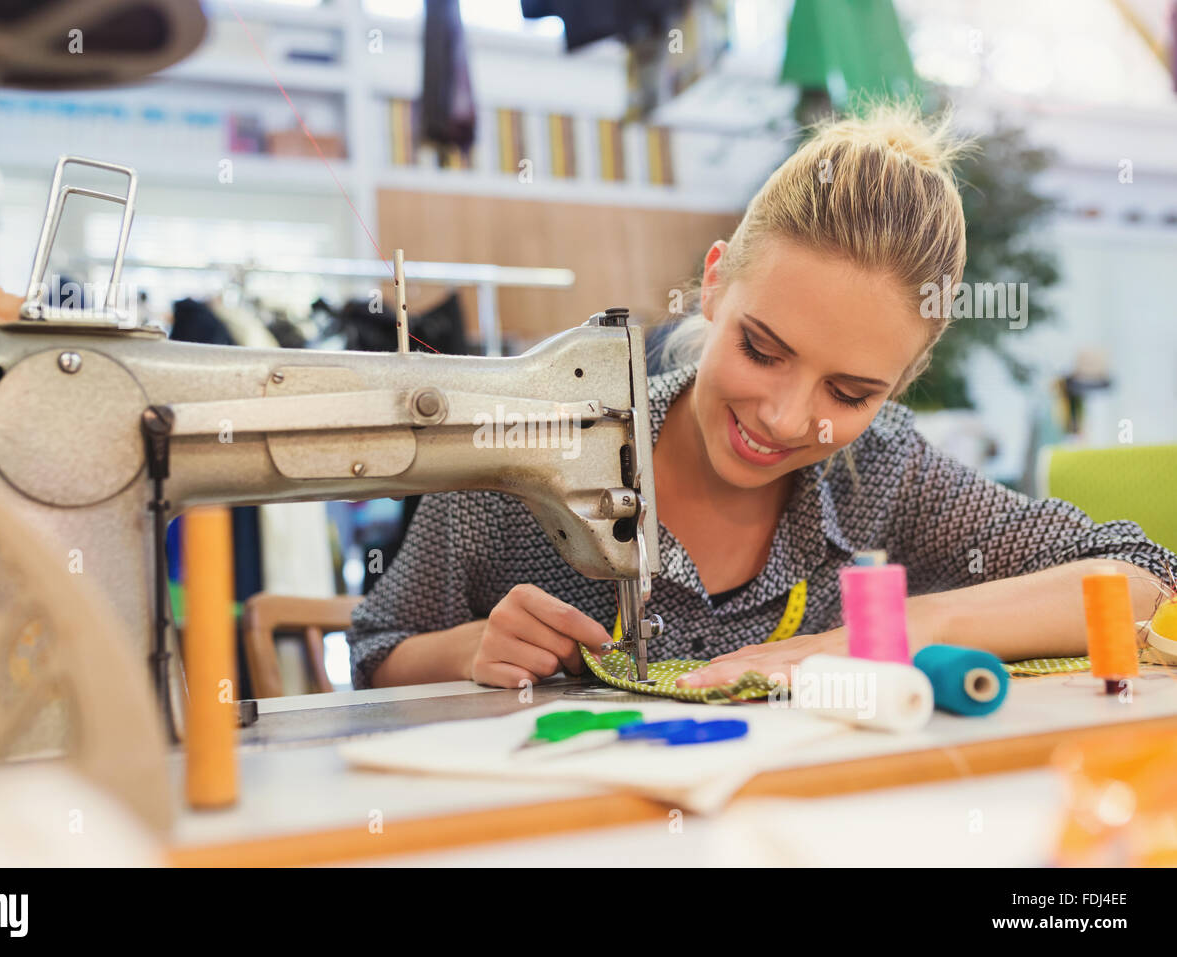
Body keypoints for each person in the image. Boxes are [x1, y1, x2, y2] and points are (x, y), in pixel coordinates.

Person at [347, 103, 1177, 690]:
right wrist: (468, 649)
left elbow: (1145, 576)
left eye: (850, 392)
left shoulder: (887, 473)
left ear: (903, 380)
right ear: (714, 284)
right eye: (761, 348)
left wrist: (872, 637)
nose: (784, 416)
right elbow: (378, 649)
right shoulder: (536, 452)